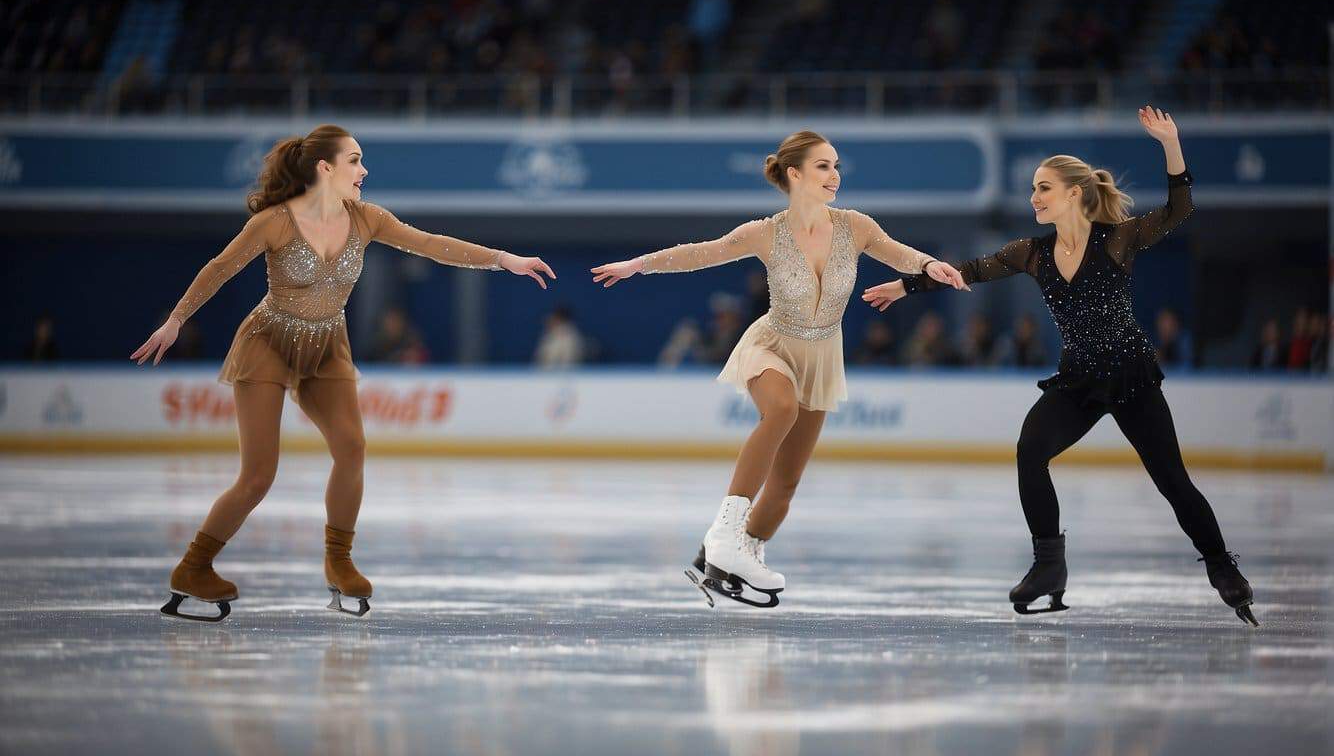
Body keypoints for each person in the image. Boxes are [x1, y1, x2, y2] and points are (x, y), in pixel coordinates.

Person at [132, 124, 554, 621]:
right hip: (268, 342)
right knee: (258, 475)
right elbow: (221, 267)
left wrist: (504, 259)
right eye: (355, 160)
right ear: (324, 168)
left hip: (328, 344)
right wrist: (176, 320)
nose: (364, 170)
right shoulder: (275, 222)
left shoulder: (367, 218)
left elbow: (431, 244)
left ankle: (339, 560)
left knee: (352, 449)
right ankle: (194, 565)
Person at [863, 107, 1256, 626]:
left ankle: (1223, 568)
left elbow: (1180, 208)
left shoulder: (1117, 238)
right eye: (1032, 188)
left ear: (1074, 192)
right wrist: (908, 284)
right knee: (1031, 450)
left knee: (1172, 482)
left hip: (1130, 377)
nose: (1033, 198)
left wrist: (1171, 144)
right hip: (1077, 381)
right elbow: (968, 272)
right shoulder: (1032, 252)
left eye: (1043, 188)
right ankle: (1049, 565)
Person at [591, 130, 964, 607]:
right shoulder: (765, 232)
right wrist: (637, 265)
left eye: (836, 166)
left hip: (822, 354)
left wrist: (930, 265)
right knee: (781, 408)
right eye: (824, 166)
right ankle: (723, 531)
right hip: (771, 345)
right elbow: (699, 254)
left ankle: (736, 553)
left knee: (786, 484)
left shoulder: (857, 227)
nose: (835, 175)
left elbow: (897, 252)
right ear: (795, 174)